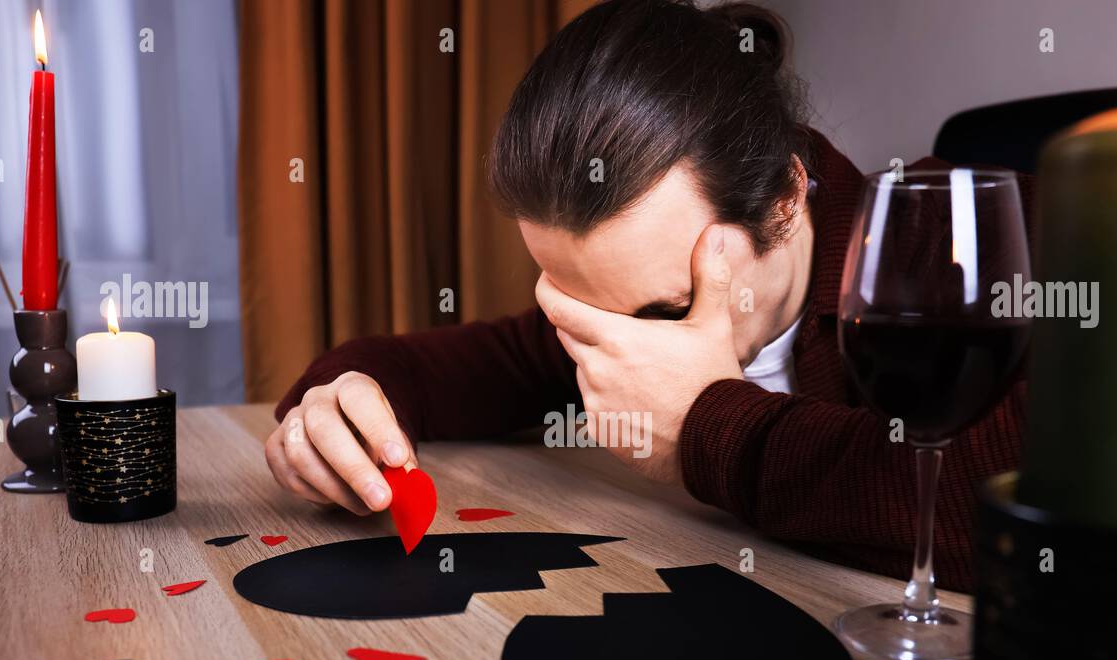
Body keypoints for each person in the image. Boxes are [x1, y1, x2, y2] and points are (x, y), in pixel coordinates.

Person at [265, 0, 1032, 591]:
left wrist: (703, 426)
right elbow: (453, 367)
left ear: (786, 199)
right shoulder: (619, 299)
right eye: (587, 309)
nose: (619, 340)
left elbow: (1013, 508)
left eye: (663, 312)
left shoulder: (970, 250)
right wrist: (338, 399)